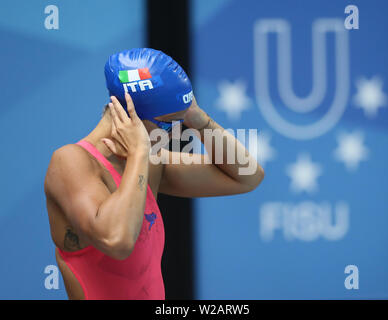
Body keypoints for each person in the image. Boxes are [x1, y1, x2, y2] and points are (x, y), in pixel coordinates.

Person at [44, 48, 264, 300]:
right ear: (130, 115)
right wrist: (139, 152)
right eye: (167, 125)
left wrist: (199, 119)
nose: (172, 135)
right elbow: (117, 240)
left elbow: (248, 176)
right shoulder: (71, 162)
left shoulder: (151, 161)